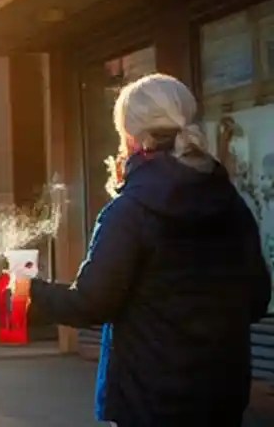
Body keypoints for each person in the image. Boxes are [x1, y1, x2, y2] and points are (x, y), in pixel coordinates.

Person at [19, 74, 271, 426]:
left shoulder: (129, 211)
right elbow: (258, 299)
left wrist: (30, 292)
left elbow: (92, 303)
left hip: (149, 404)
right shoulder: (232, 205)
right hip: (221, 400)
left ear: (132, 139)